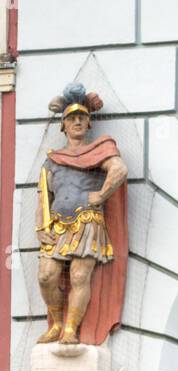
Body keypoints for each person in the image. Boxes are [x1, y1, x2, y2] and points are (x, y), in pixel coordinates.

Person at [36, 82, 128, 345]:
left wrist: (100, 196)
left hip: (87, 222)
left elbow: (119, 169)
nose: (77, 122)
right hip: (56, 225)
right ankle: (56, 323)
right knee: (46, 276)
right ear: (63, 125)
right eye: (71, 118)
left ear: (89, 124)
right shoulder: (53, 159)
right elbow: (44, 195)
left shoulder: (99, 149)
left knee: (78, 276)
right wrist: (42, 228)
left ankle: (70, 329)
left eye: (82, 118)